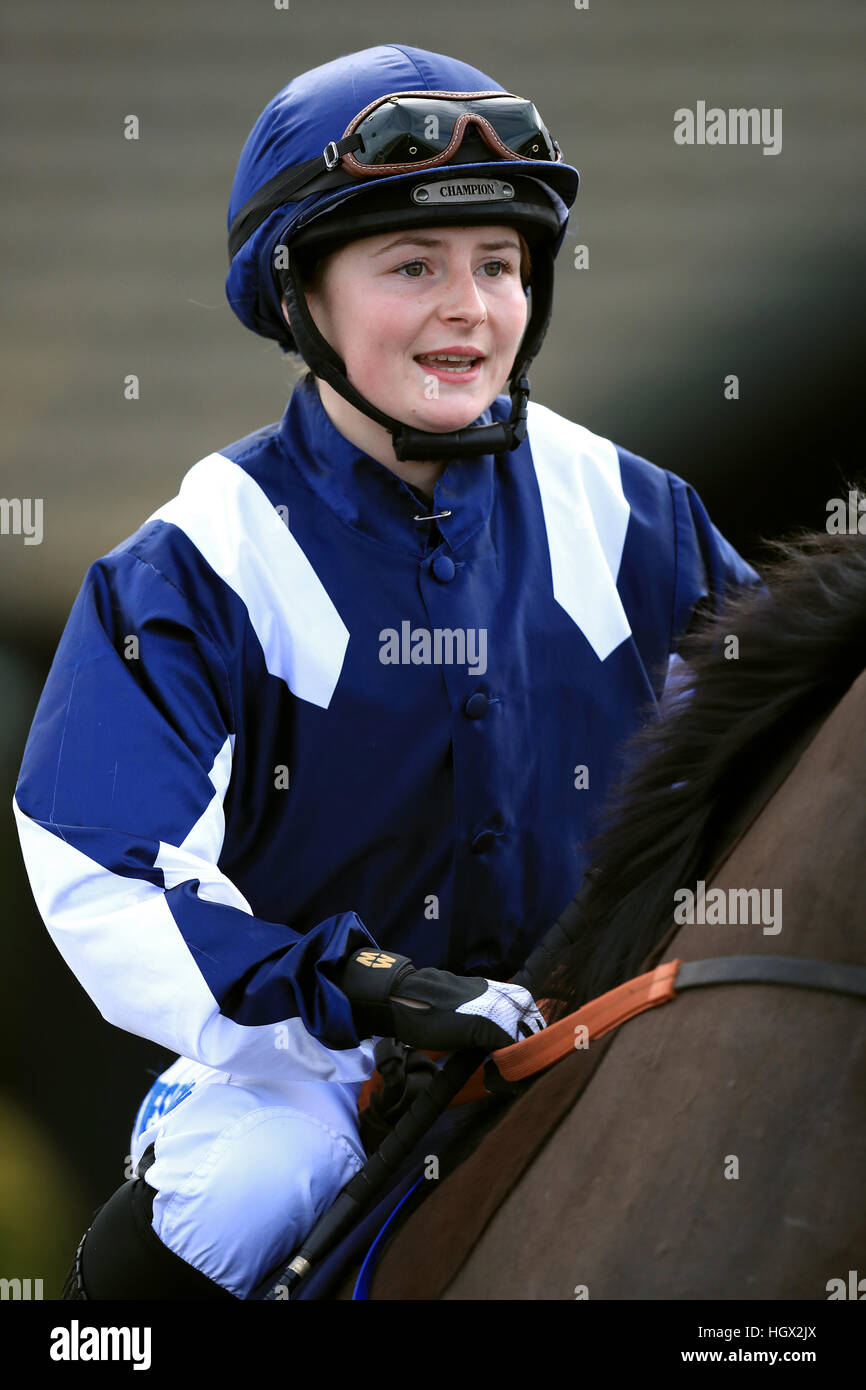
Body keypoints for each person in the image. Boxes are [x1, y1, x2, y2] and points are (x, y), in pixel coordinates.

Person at [13, 43, 762, 1300]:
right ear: (298, 291)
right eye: (413, 265)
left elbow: (781, 745)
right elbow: (103, 866)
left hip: (614, 1012)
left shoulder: (634, 511)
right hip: (313, 1066)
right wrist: (365, 989)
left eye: (498, 264)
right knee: (242, 1193)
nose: (468, 306)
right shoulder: (194, 562)